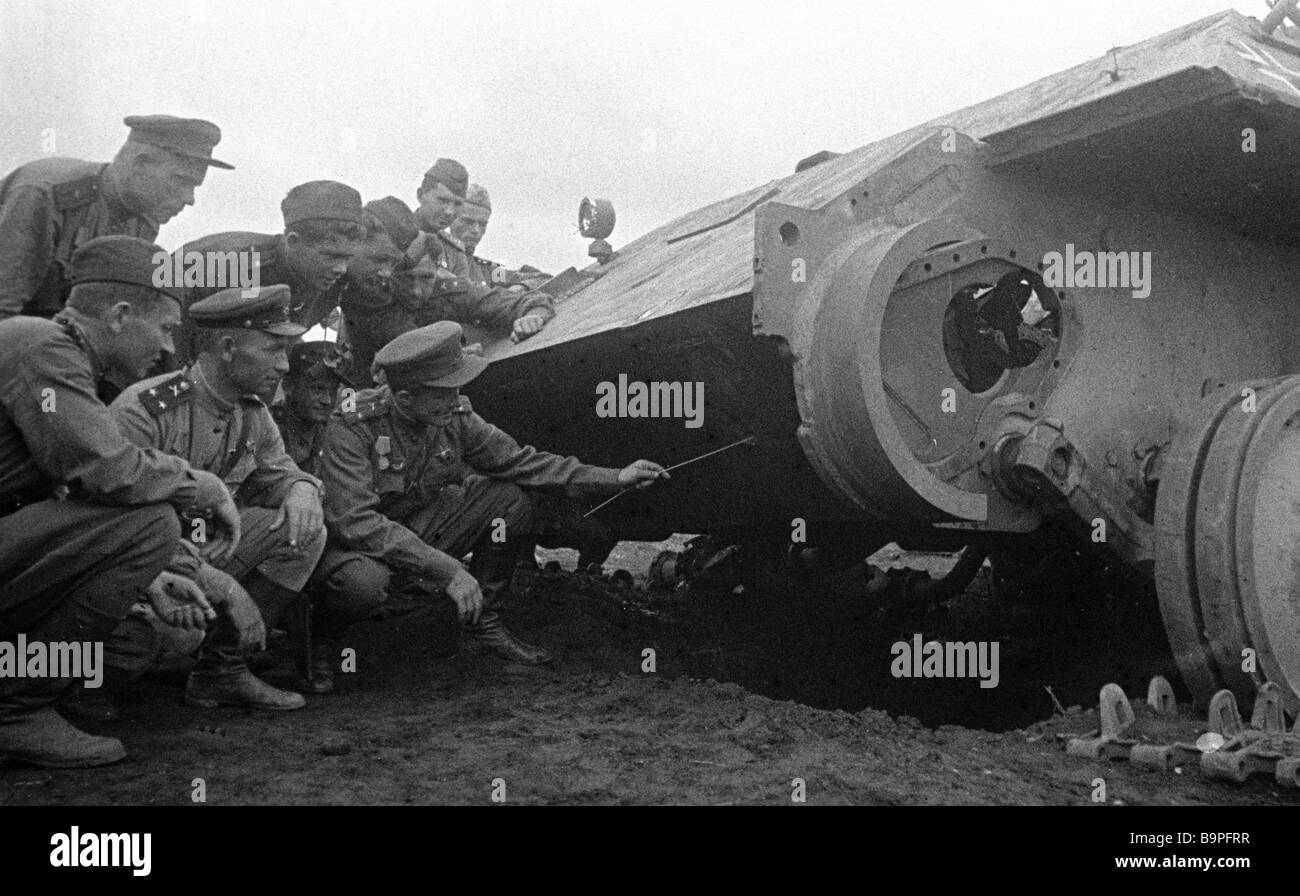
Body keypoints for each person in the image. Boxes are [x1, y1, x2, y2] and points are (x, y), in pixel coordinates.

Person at [311, 322, 667, 687]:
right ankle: (320, 642)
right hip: (360, 548)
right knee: (361, 585)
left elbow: (521, 462)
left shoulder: (451, 416)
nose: (456, 400)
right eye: (444, 393)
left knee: (508, 501)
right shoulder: (353, 425)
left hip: (419, 528)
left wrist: (614, 477)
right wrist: (448, 571)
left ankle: (484, 621)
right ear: (404, 399)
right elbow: (356, 522)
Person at [0, 235, 239, 767]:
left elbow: (65, 486)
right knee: (152, 524)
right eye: (165, 328)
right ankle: (15, 709)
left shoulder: (46, 347)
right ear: (120, 315)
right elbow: (105, 469)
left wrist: (148, 578)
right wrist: (201, 484)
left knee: (138, 632)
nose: (171, 349)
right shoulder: (45, 348)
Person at [107, 284, 325, 711]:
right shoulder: (148, 409)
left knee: (304, 532)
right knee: (161, 638)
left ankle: (221, 672)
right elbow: (112, 529)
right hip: (142, 563)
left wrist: (303, 488)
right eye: (272, 350)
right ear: (227, 347)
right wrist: (220, 585)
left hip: (199, 549)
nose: (284, 365)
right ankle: (74, 699)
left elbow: (278, 472)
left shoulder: (251, 412)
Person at [0, 115, 232, 320]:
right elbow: (4, 308)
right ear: (140, 163)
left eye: (194, 185)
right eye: (181, 180)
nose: (190, 198)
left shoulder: (143, 219)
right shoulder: (45, 194)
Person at [173, 180, 363, 364]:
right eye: (330, 256)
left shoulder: (336, 281)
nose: (341, 268)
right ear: (293, 241)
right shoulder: (224, 264)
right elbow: (172, 346)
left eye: (347, 258)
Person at [272, 340, 345, 478]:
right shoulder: (268, 427)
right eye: (317, 389)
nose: (327, 401)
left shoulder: (335, 431)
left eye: (333, 390)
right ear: (288, 386)